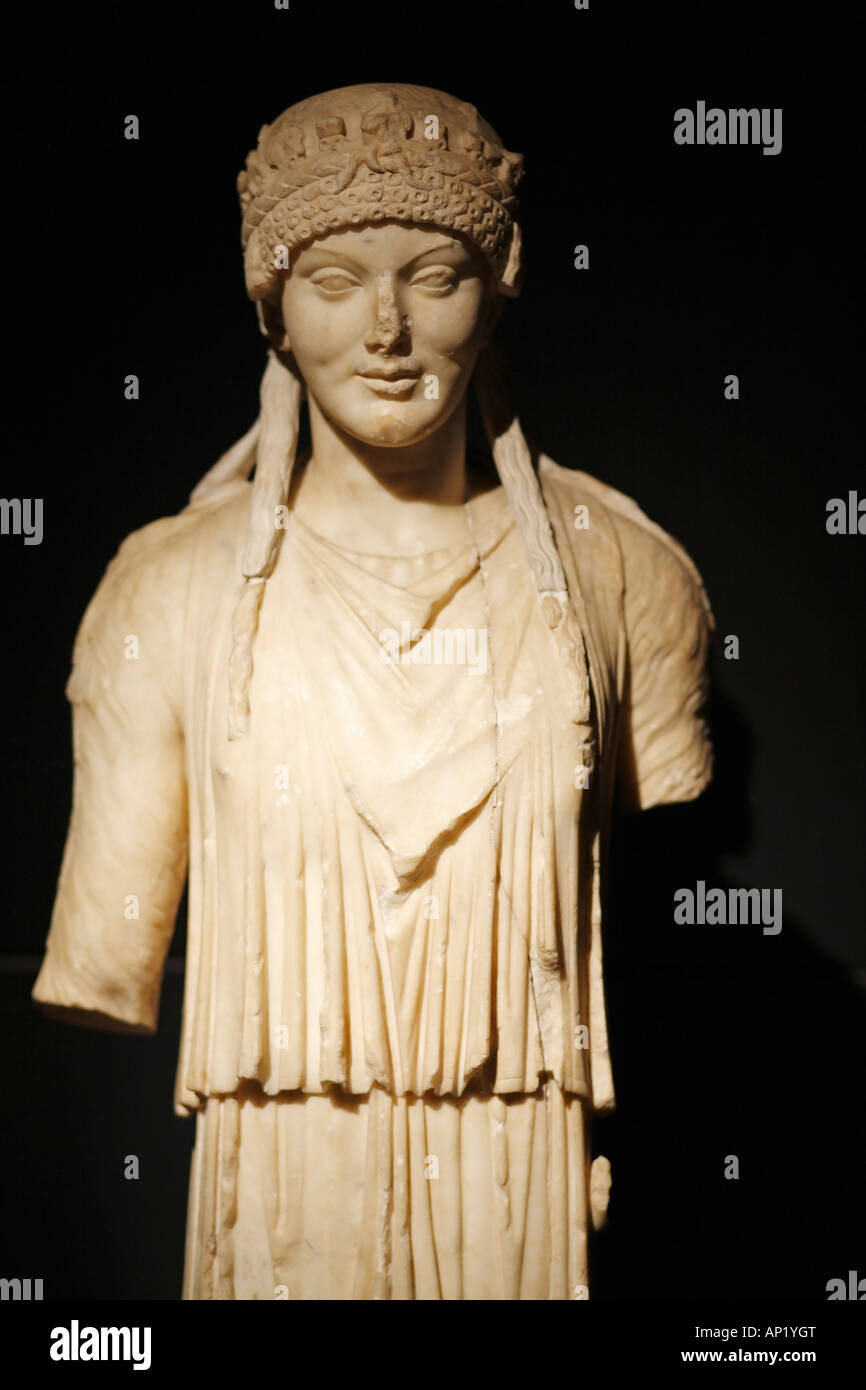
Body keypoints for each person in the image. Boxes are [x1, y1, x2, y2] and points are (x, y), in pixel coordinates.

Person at [33, 83, 713, 1300]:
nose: (386, 329)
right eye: (334, 282)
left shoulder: (621, 576)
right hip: (279, 1203)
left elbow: (666, 786)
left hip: (524, 1193)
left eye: (433, 276)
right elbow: (105, 951)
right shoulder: (168, 592)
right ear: (273, 306)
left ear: (497, 285)